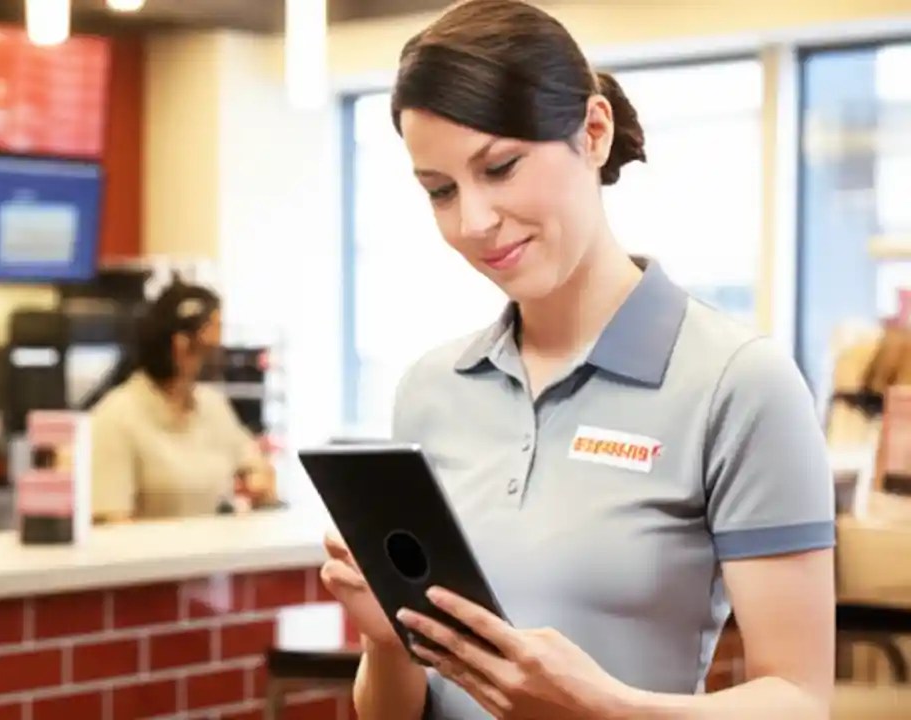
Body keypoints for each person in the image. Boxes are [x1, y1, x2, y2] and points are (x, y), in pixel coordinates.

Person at [320, 1, 836, 718]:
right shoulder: (430, 390)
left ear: (593, 132)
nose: (474, 221)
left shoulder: (739, 384)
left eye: (501, 167)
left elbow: (801, 700)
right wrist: (385, 643)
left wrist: (605, 710)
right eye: (440, 191)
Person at [90, 279, 276, 522]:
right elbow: (110, 521)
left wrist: (258, 479)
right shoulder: (115, 417)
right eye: (212, 341)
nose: (220, 353)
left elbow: (255, 467)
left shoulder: (212, 406)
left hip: (216, 545)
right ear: (181, 345)